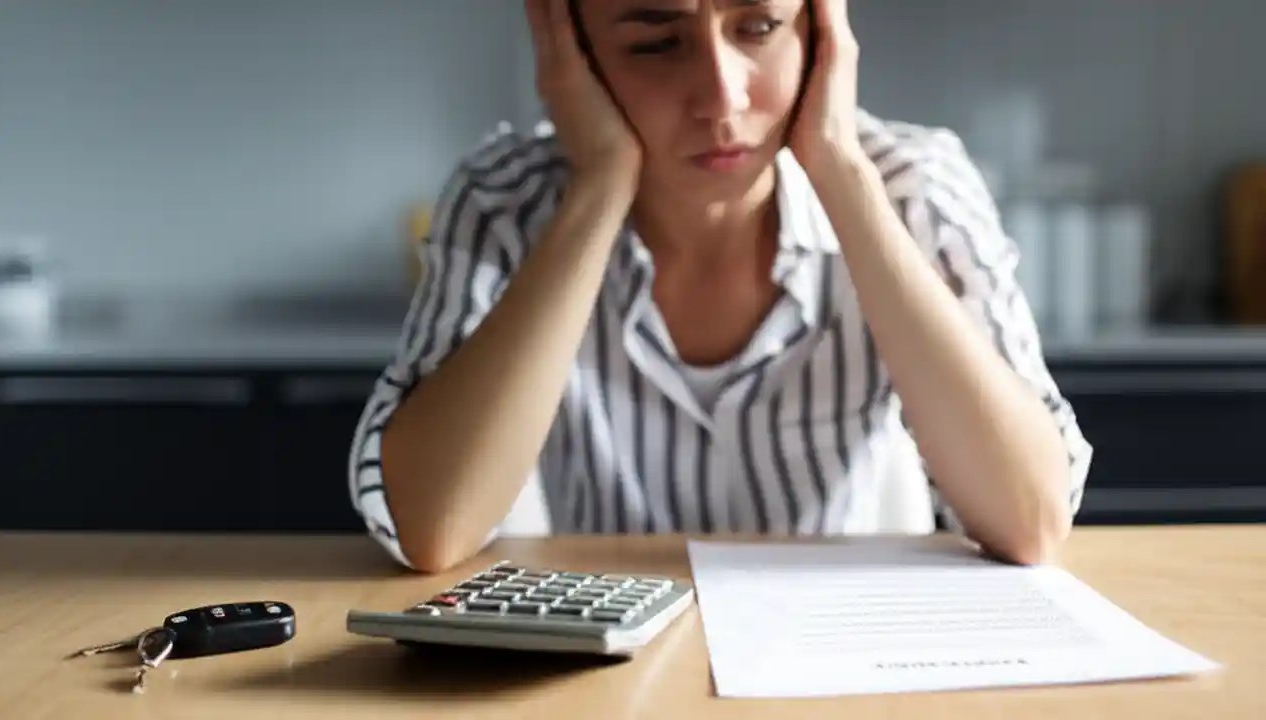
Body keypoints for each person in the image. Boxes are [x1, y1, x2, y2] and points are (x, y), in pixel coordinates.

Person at [348, 0, 1093, 572]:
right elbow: (430, 528)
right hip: (609, 681)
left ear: (821, 31)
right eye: (655, 43)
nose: (721, 97)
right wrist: (599, 186)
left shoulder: (914, 187)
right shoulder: (505, 203)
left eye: (759, 27)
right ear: (570, 50)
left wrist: (839, 168)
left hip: (839, 671)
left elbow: (1030, 519)